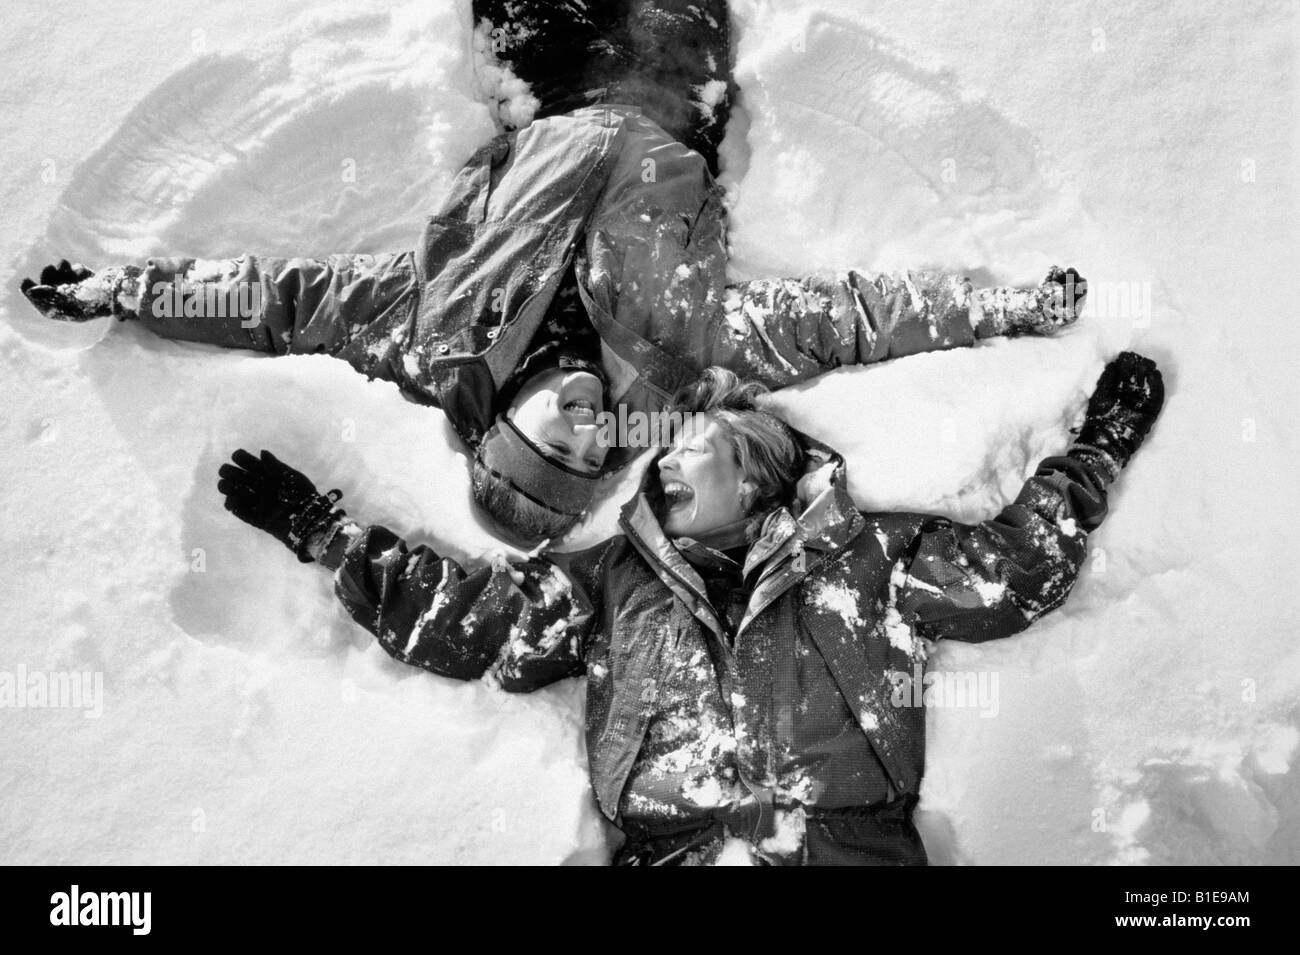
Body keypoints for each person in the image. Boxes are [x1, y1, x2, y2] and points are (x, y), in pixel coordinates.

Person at [18, 0, 1086, 546]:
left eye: (547, 440)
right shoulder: (686, 360)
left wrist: (126, 291)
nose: (579, 420)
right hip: (665, 85)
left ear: (499, 428)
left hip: (537, 80)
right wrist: (1011, 307)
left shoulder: (432, 337)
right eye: (589, 448)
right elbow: (859, 319)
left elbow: (283, 306)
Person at [213, 351, 1164, 865]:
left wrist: (1097, 451)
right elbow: (481, 623)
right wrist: (327, 534)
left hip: (843, 854)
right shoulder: (613, 581)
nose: (660, 461)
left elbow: (1008, 573)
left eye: (689, 446)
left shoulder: (868, 555)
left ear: (756, 464)